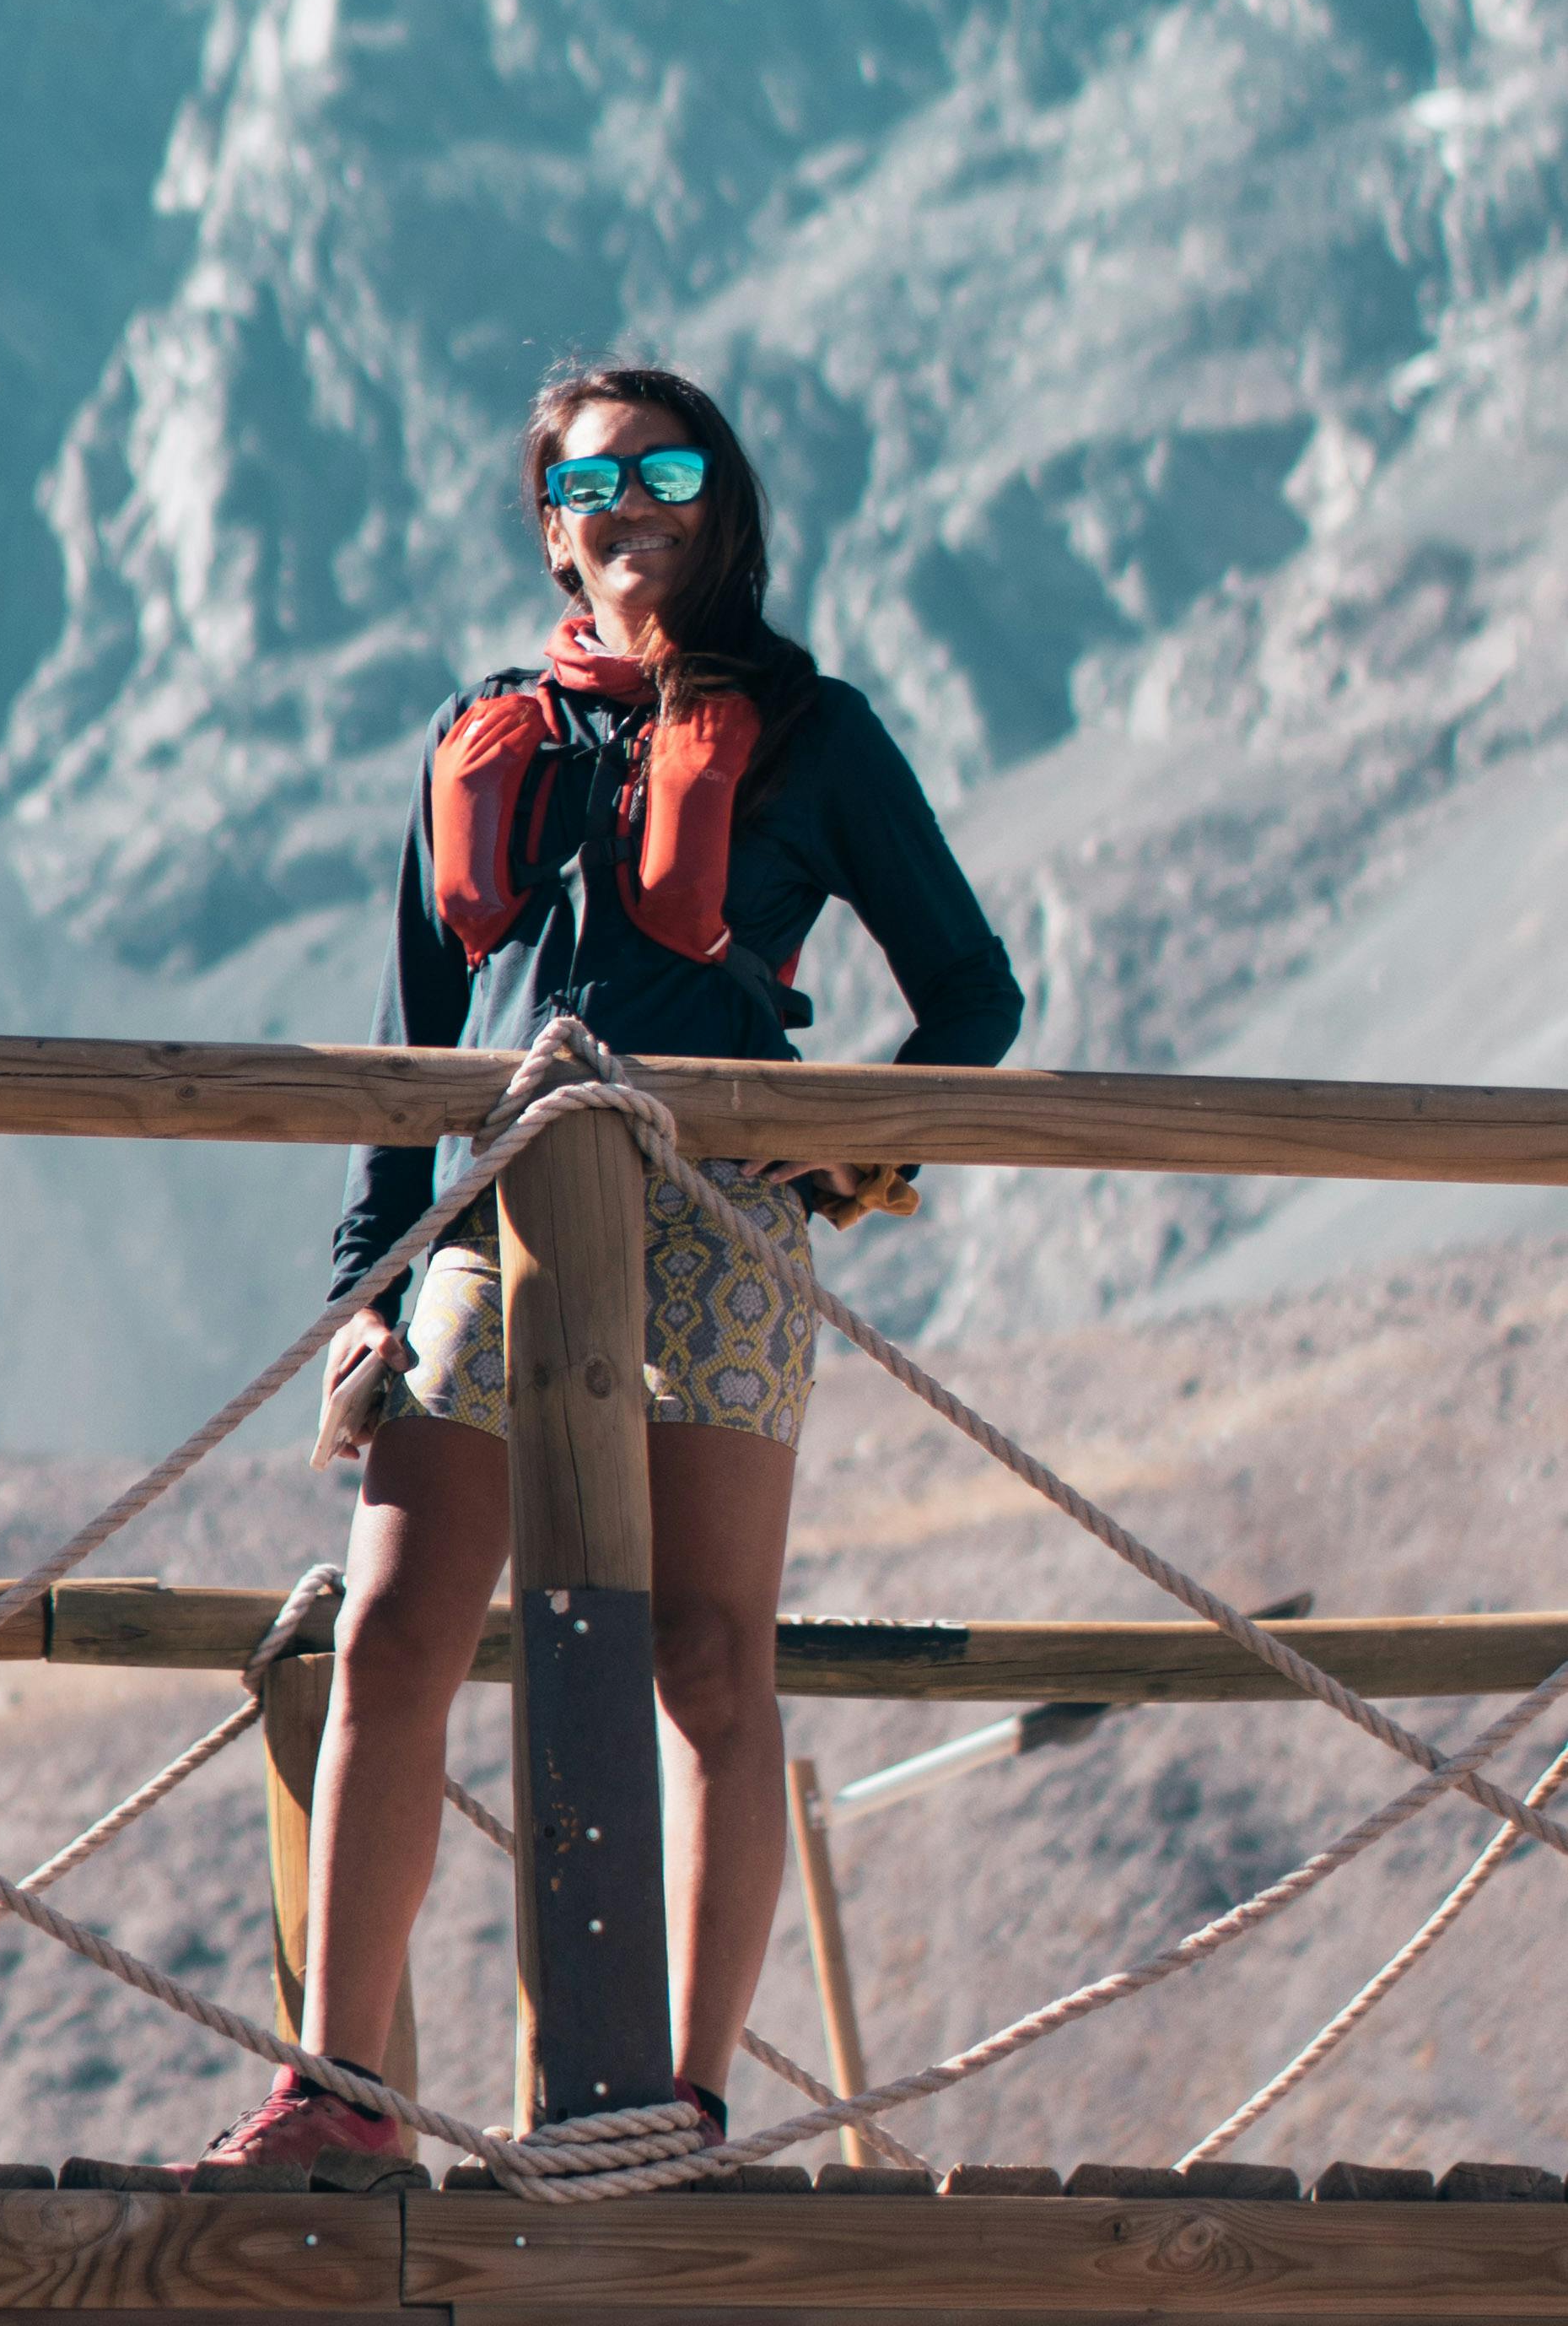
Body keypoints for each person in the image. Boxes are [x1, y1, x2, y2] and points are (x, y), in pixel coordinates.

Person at [197, 361, 1021, 2171]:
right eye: (591, 482)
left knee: (711, 1664)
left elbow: (976, 993)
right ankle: (339, 2094)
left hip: (715, 1229)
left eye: (667, 471)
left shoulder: (816, 734)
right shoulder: (483, 727)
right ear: (548, 522)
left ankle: (685, 2099)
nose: (628, 504)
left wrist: (858, 1135)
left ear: (723, 505)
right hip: (487, 1238)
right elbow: (407, 1038)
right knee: (401, 1632)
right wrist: (367, 1291)